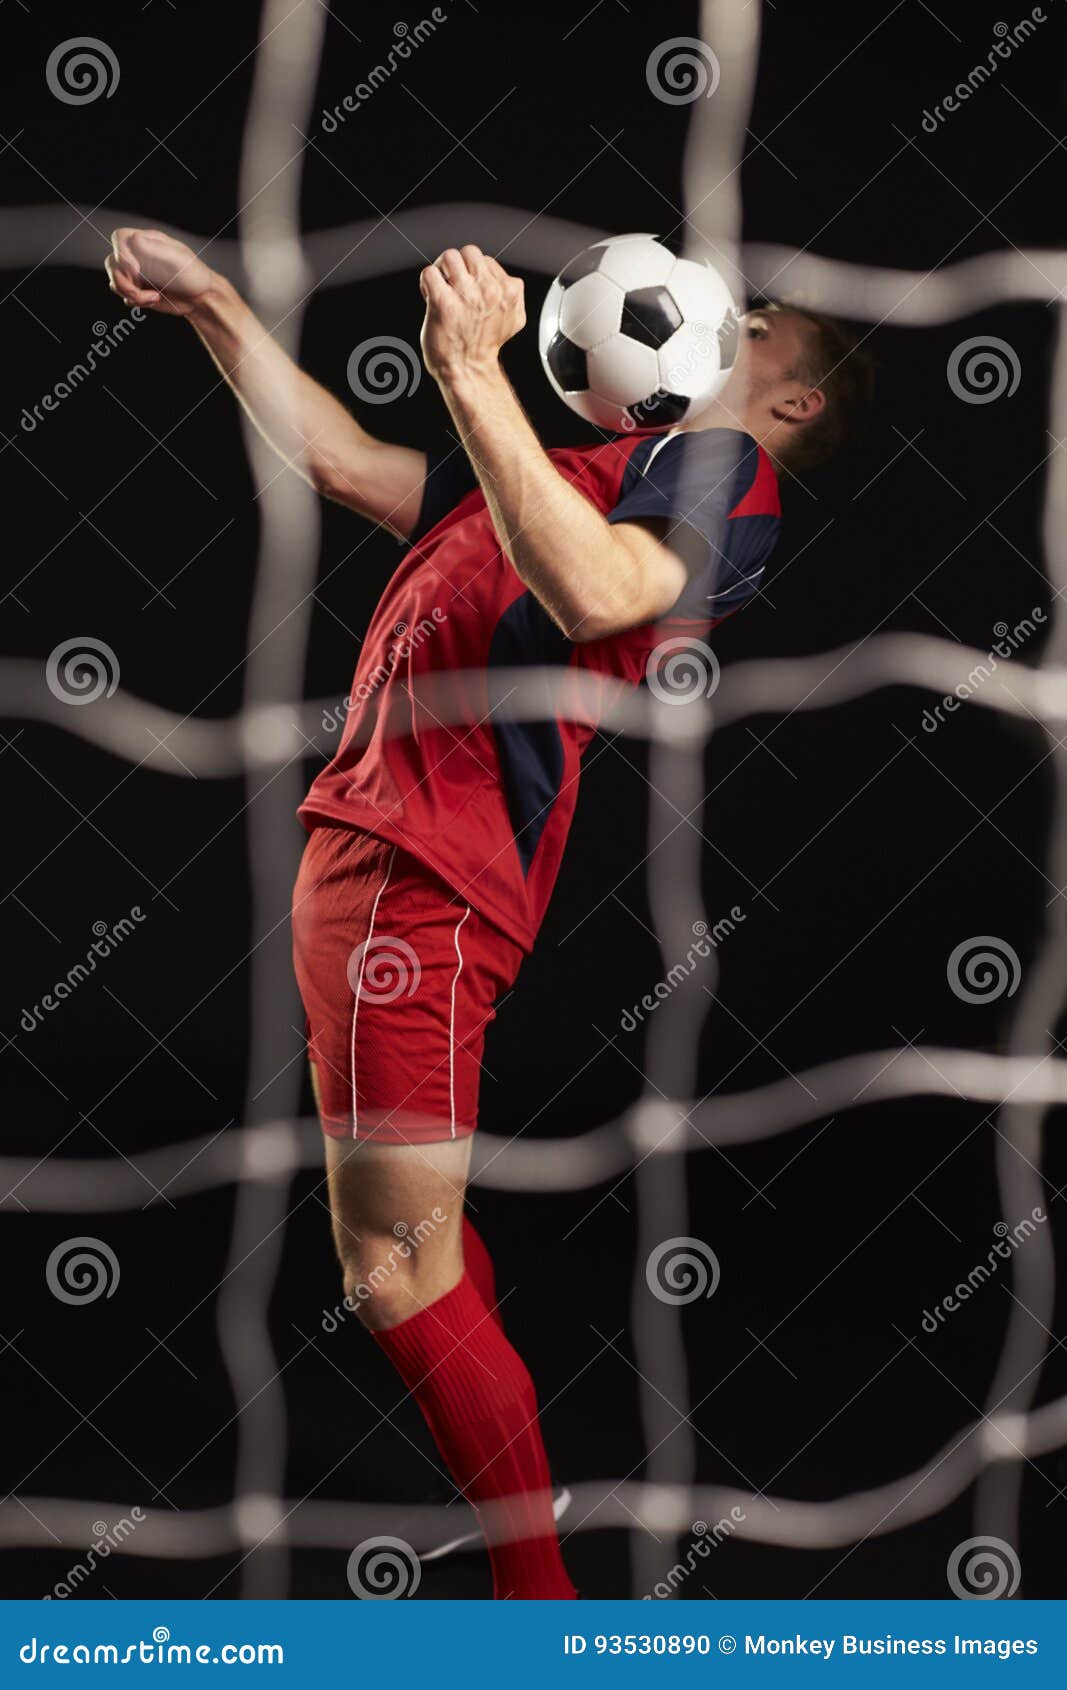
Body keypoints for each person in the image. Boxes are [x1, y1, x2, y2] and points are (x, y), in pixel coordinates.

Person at [105, 228, 873, 1599]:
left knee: (395, 1271)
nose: (719, 313)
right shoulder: (562, 465)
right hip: (367, 853)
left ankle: (541, 1608)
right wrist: (213, 303)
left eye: (755, 326)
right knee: (418, 1251)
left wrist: (470, 370)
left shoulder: (715, 473)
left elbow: (598, 590)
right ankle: (540, 1584)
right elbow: (343, 461)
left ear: (791, 397)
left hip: (430, 878)